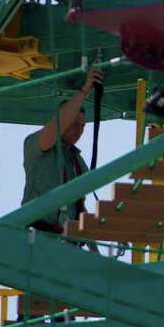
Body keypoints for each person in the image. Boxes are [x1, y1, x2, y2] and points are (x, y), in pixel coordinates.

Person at [21, 68, 102, 235]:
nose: (79, 129)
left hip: (66, 242)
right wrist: (84, 90)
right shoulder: (36, 145)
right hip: (35, 235)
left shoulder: (77, 162)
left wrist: (93, 247)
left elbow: (79, 207)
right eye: (74, 123)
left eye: (83, 125)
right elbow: (58, 125)